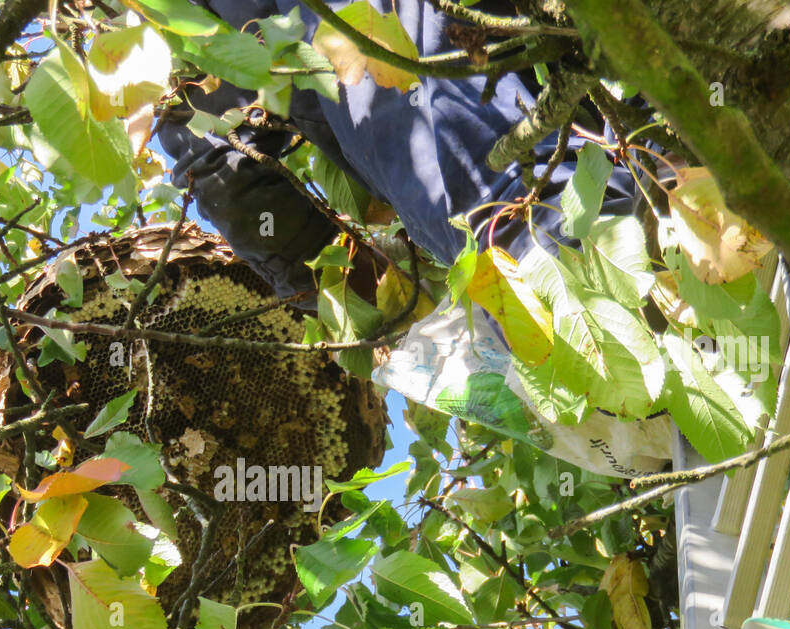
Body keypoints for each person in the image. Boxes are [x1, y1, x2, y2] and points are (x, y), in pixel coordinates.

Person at [158, 0, 676, 477]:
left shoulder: (162, 27)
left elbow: (230, 177)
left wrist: (376, 298)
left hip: (495, 196)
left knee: (600, 328)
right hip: (652, 85)